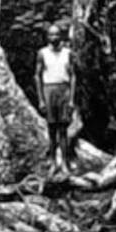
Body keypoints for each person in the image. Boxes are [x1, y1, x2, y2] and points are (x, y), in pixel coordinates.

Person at [35, 22, 75, 173]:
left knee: (63, 129)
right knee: (51, 129)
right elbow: (37, 75)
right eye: (51, 34)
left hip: (63, 89)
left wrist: (71, 99)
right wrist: (41, 99)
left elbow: (73, 76)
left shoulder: (67, 53)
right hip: (49, 89)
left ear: (61, 36)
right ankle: (53, 162)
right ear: (47, 37)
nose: (54, 37)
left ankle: (64, 162)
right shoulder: (42, 53)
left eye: (57, 34)